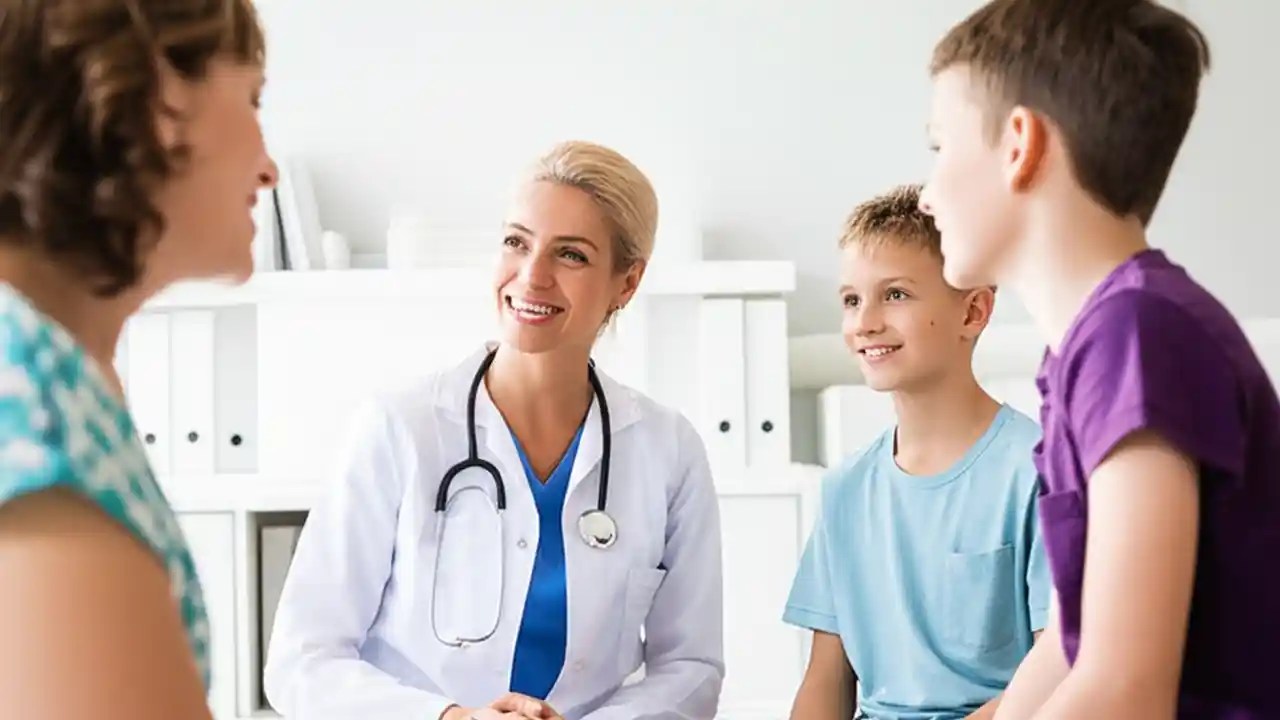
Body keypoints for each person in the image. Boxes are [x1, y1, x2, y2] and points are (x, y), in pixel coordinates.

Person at [264, 140, 724, 720]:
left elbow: (691, 667)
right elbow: (302, 662)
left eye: (571, 255)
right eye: (516, 242)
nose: (532, 276)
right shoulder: (398, 428)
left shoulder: (667, 450)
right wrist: (453, 719)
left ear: (626, 282)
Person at [921, 1, 1280, 717]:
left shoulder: (1137, 335)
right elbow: (1073, 644)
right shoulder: (1088, 348)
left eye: (938, 148)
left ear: (1019, 145)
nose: (927, 196)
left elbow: (1124, 689)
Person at [0, 0, 277, 717]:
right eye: (252, 99)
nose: (270, 169)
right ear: (164, 97)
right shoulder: (33, 416)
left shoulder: (60, 377)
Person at [784, 184, 1050, 720]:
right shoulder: (844, 491)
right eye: (852, 300)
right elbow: (825, 681)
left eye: (896, 295)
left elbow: (1056, 676)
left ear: (973, 312)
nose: (865, 322)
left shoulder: (1037, 473)